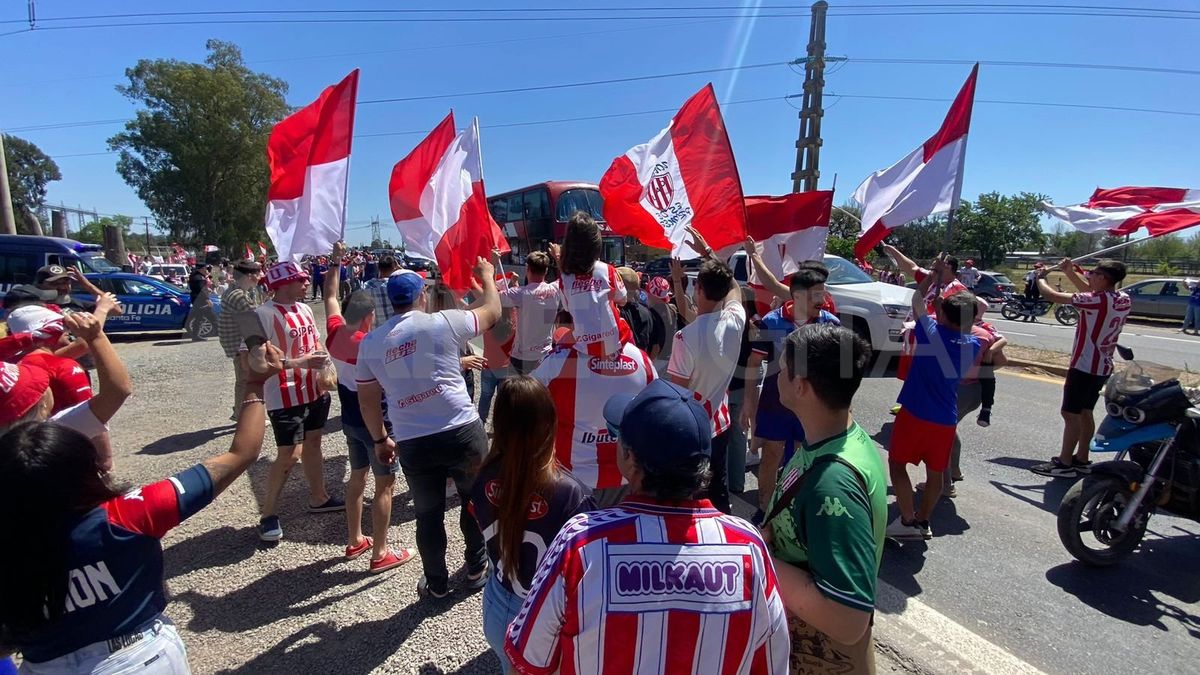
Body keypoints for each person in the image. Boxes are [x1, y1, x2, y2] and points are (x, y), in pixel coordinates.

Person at [0, 344, 282, 674]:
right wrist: (256, 383)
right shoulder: (127, 514)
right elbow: (240, 454)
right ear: (83, 471)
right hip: (140, 658)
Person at [505, 379, 789, 674]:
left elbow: (526, 660)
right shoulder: (748, 548)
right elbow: (773, 661)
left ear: (628, 459)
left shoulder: (580, 543)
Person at [355, 258, 501, 599]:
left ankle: (436, 582)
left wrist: (380, 439)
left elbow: (367, 399)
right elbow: (492, 312)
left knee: (428, 513)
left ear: (393, 300)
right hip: (461, 429)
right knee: (474, 500)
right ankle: (477, 567)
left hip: (413, 440)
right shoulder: (443, 322)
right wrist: (488, 277)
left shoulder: (372, 343)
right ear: (423, 294)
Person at [766, 323, 888, 673]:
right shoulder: (836, 434)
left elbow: (848, 619)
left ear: (801, 386)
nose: (776, 375)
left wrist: (756, 557)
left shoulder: (832, 483)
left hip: (819, 656)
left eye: (783, 369)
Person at [468, 376, 592, 672]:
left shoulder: (482, 476)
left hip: (498, 605)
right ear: (548, 425)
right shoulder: (570, 493)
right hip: (546, 617)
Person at [324, 243, 416, 573]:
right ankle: (380, 553)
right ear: (367, 316)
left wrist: (336, 261)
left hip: (348, 419)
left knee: (357, 478)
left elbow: (330, 294)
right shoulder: (372, 346)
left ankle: (354, 540)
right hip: (376, 425)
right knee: (385, 486)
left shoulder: (334, 333)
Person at [885, 254, 980, 540]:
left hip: (915, 413)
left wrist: (930, 278)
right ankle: (924, 520)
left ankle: (906, 518)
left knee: (897, 464)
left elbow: (916, 303)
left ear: (944, 316)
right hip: (945, 418)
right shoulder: (973, 343)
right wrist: (943, 308)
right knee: (936, 472)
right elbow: (954, 324)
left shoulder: (932, 333)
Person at [742, 265, 841, 523]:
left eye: (824, 293)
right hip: (775, 405)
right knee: (771, 455)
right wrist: (749, 404)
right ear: (796, 296)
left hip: (811, 410)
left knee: (803, 458)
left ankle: (794, 506)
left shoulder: (829, 324)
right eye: (816, 294)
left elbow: (840, 372)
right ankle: (764, 510)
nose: (823, 300)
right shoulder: (771, 322)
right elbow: (754, 365)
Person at [531, 309, 658, 508]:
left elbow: (525, 408)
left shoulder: (558, 361)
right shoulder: (642, 360)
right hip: (626, 476)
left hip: (572, 479)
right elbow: (654, 413)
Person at [256, 261, 343, 543]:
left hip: (314, 390)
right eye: (301, 279)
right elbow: (255, 363)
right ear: (282, 284)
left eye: (307, 278)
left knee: (314, 444)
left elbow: (315, 343)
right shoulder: (261, 314)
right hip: (283, 394)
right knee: (288, 454)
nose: (307, 283)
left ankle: (319, 497)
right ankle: (268, 513)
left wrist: (323, 363)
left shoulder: (304, 309)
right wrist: (300, 362)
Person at [665, 227, 747, 515]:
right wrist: (708, 253)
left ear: (697, 289)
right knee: (718, 486)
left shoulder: (685, 339)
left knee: (692, 491)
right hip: (720, 422)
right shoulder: (735, 320)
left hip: (694, 428)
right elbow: (734, 288)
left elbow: (678, 397)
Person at [1030, 258, 1131, 478]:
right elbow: (1090, 293)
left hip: (1085, 365)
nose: (1090, 276)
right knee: (1085, 412)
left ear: (1103, 278)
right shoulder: (1122, 298)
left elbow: (1053, 296)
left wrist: (1040, 279)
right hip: (1103, 365)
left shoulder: (1096, 301)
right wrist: (1070, 272)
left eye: (1094, 274)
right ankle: (1082, 458)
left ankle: (1065, 463)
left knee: (1070, 413)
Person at [550, 212, 626, 358]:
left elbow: (567, 307)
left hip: (583, 347)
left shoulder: (565, 278)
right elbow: (623, 299)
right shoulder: (608, 270)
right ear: (596, 243)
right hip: (615, 342)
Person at [218, 260, 264, 421]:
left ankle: (239, 411)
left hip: (236, 343)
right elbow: (256, 317)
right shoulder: (239, 296)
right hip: (240, 345)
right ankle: (242, 414)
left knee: (242, 379)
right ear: (250, 276)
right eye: (258, 273)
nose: (260, 276)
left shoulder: (235, 291)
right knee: (246, 380)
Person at [498, 250, 557, 375]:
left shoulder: (519, 294)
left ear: (527, 269)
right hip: (545, 355)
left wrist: (492, 263)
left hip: (522, 357)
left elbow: (492, 298)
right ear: (546, 271)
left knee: (517, 393)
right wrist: (557, 257)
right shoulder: (555, 289)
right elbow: (565, 278)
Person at [616, 266, 665, 359]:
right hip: (640, 365)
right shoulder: (648, 313)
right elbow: (656, 345)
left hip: (615, 366)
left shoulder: (613, 312)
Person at [477, 305, 515, 422]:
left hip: (488, 366)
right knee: (503, 401)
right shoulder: (514, 322)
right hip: (506, 367)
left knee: (485, 397)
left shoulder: (487, 322)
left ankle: (481, 422)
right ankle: (500, 425)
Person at [644, 276, 677, 370]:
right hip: (670, 358)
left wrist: (649, 367)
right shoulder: (672, 309)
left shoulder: (652, 313)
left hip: (657, 361)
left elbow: (656, 346)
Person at [366, 255, 400, 329]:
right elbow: (415, 280)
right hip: (393, 330)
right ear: (394, 267)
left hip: (375, 332)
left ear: (378, 267)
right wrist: (400, 268)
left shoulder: (366, 286)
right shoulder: (397, 285)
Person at [185, 265, 216, 341]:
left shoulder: (196, 276)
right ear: (201, 269)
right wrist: (207, 300)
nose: (206, 270)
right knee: (211, 317)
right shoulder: (199, 278)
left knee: (199, 318)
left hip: (197, 300)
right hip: (201, 301)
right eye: (205, 268)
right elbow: (200, 291)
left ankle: (195, 336)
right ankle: (224, 332)